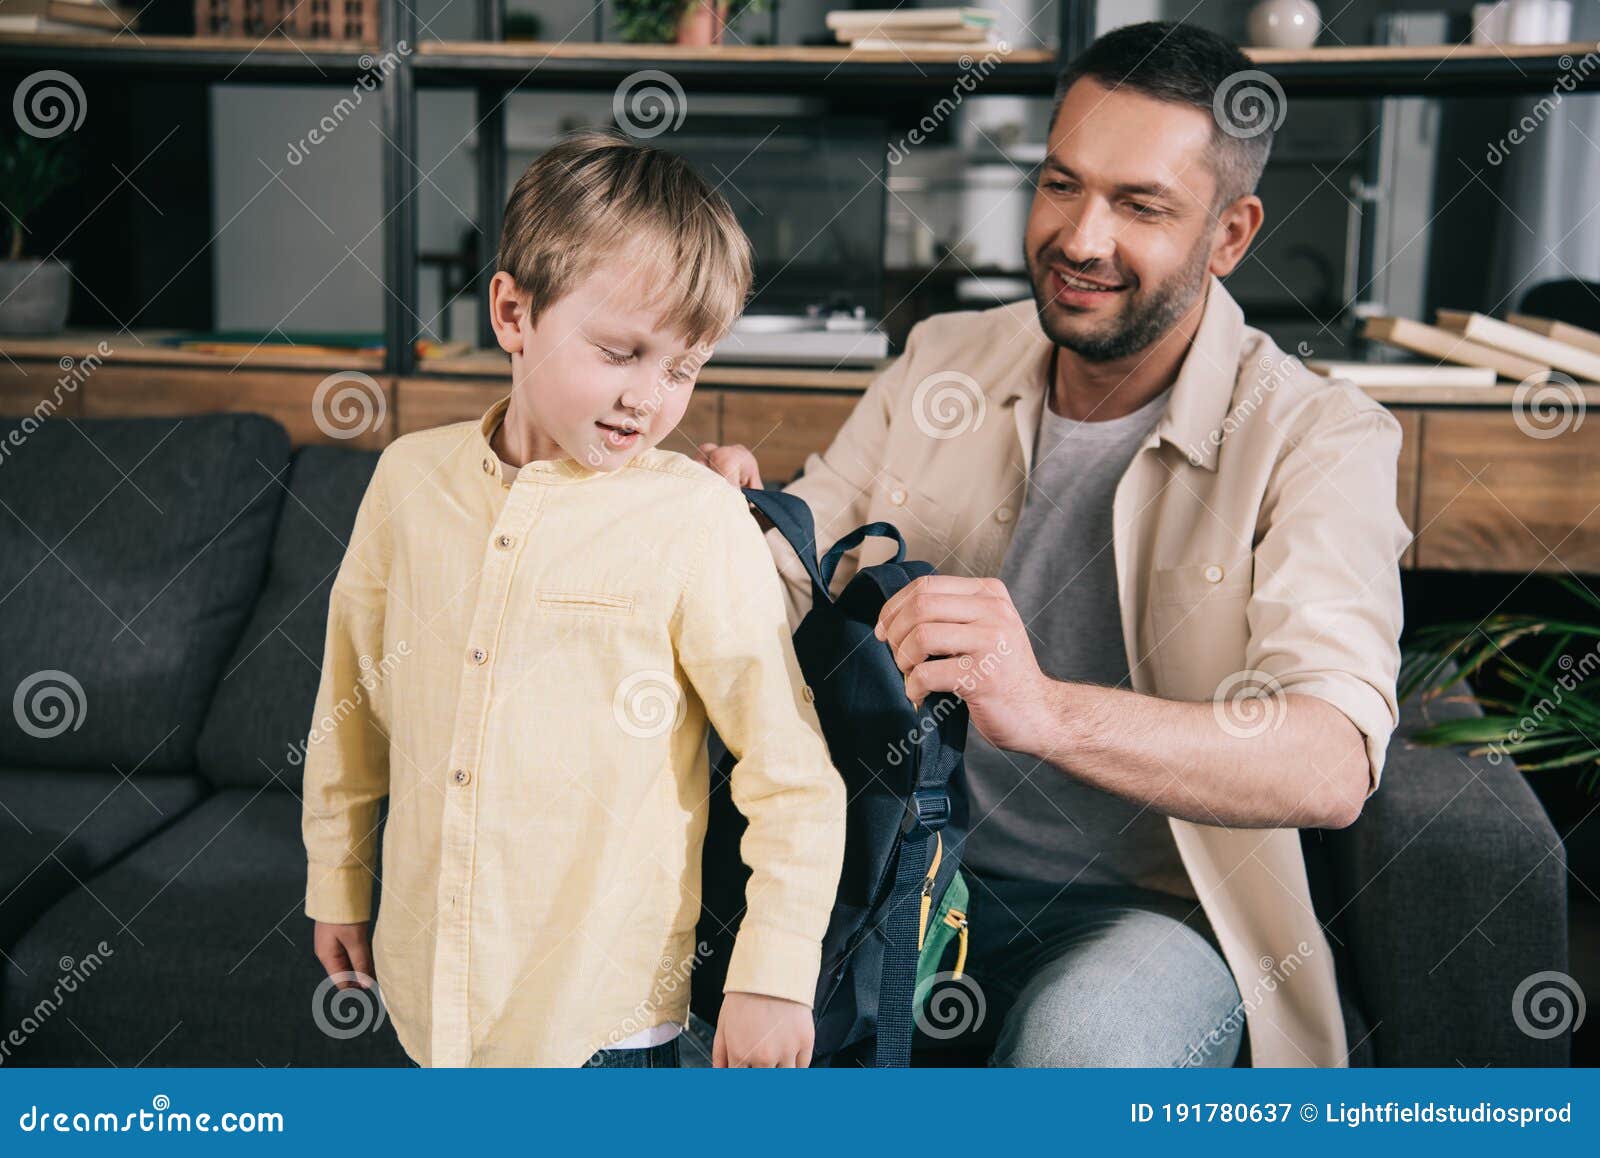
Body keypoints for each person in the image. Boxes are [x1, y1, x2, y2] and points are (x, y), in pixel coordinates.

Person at [700, 22, 1410, 1067]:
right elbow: (797, 568)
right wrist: (708, 526)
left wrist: (1044, 713)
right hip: (900, 873)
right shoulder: (943, 357)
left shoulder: (1319, 436)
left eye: (1139, 205)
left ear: (1229, 233)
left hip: (1154, 917)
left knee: (1081, 1057)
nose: (1080, 238)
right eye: (1061, 184)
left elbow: (1330, 758)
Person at [301, 130, 847, 1068]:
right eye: (621, 352)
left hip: (607, 1029)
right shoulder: (406, 483)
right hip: (430, 1000)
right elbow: (352, 704)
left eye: (681, 368)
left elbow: (791, 773)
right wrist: (339, 875)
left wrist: (772, 974)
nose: (649, 397)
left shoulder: (697, 521)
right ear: (513, 312)